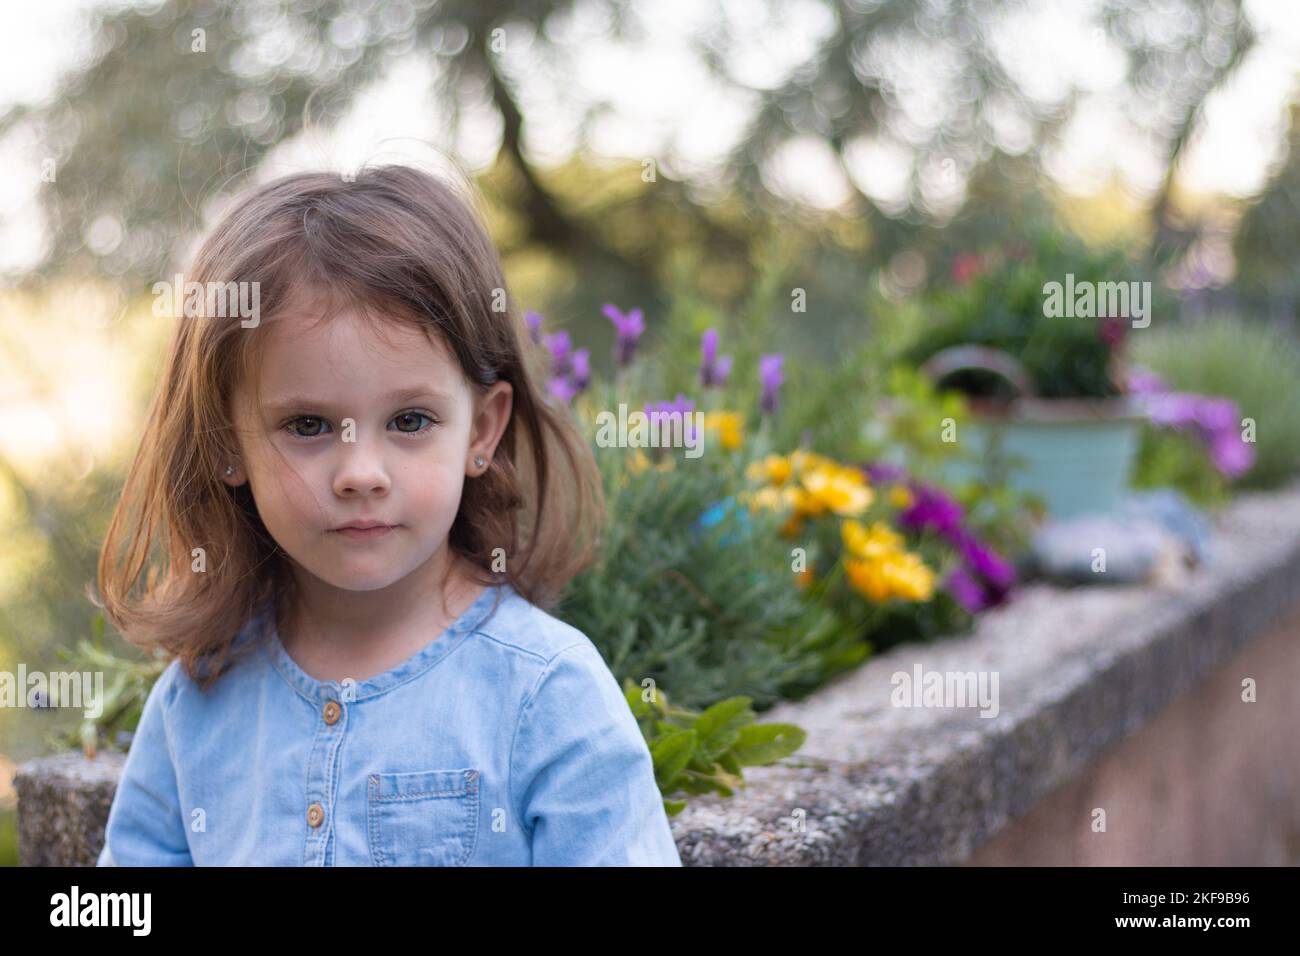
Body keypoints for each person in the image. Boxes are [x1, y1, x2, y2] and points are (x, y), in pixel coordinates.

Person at [92, 164, 682, 866]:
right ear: (227, 443)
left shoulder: (545, 694)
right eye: (307, 426)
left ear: (481, 431)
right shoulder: (196, 705)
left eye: (409, 419)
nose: (360, 474)